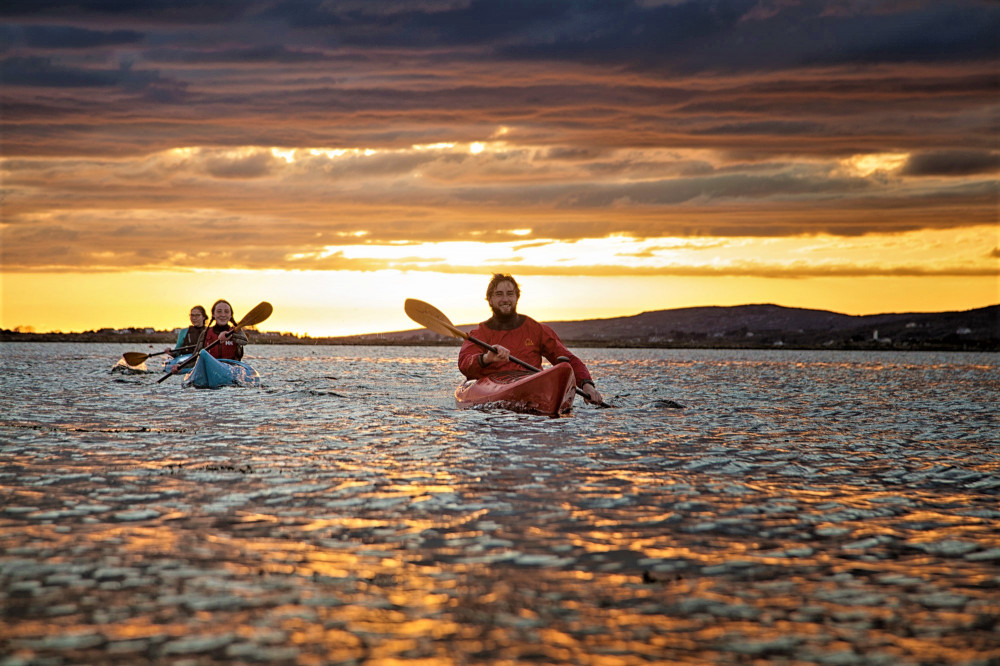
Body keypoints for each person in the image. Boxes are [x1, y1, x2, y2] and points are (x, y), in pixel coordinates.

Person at [458, 274, 603, 404]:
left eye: (510, 294)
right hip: (493, 385)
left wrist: (587, 385)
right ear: (490, 299)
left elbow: (569, 359)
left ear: (517, 297)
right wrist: (486, 358)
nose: (505, 299)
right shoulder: (479, 334)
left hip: (533, 383)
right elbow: (465, 363)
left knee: (564, 365)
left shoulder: (537, 329)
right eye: (499, 294)